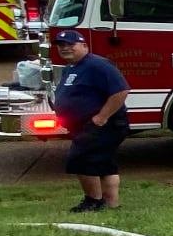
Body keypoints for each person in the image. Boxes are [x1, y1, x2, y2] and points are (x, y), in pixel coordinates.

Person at [51, 30, 129, 212]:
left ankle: (93, 201)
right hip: (85, 125)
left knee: (79, 159)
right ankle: (112, 205)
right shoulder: (72, 67)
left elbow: (121, 91)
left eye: (70, 44)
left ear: (84, 45)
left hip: (103, 125)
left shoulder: (97, 65)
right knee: (104, 164)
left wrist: (101, 117)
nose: (65, 48)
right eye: (61, 45)